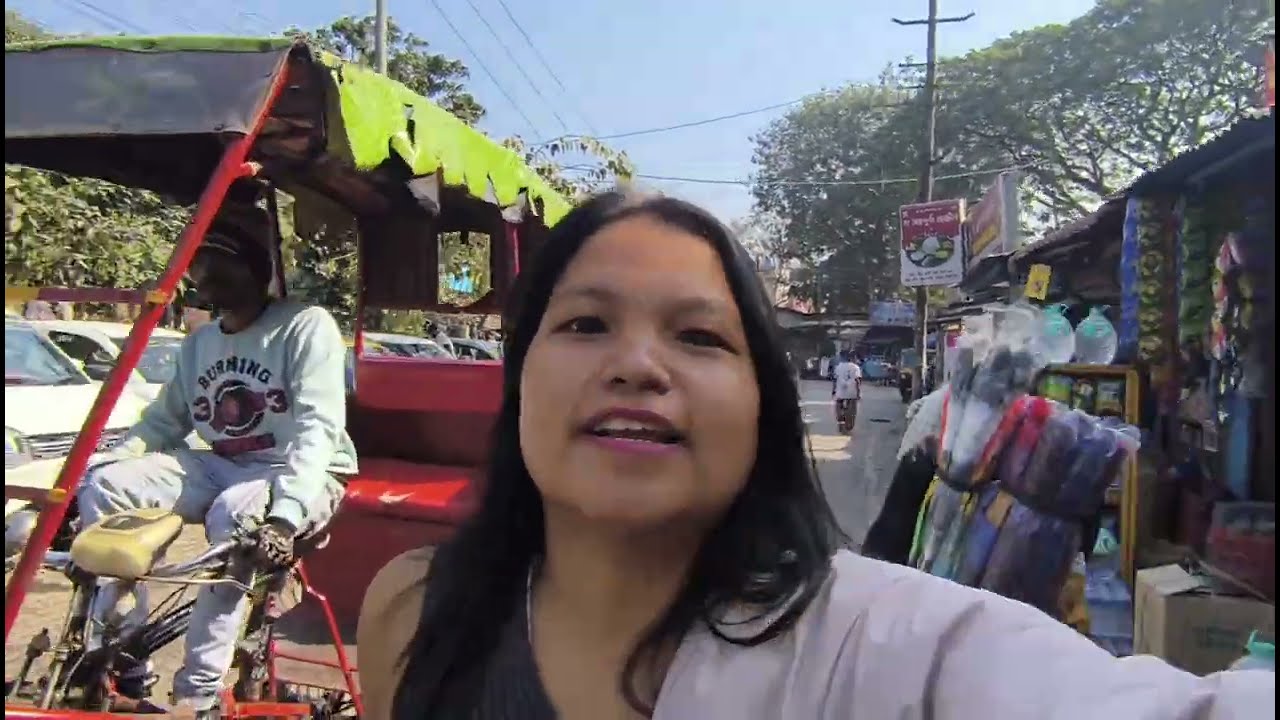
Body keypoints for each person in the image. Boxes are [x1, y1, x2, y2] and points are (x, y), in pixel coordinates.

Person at [357, 191, 1271, 720]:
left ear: (763, 407)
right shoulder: (412, 615)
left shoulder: (891, 652)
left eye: (700, 338)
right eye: (586, 323)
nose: (636, 364)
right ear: (520, 383)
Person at [76, 204, 357, 716]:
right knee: (106, 485)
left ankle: (198, 691)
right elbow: (162, 424)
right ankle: (122, 650)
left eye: (220, 266)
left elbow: (318, 428)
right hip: (222, 464)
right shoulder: (200, 343)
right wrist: (91, 472)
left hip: (299, 471)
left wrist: (285, 515)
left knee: (236, 513)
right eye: (201, 267)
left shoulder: (304, 326)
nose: (206, 278)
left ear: (254, 271)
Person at [831, 350, 862, 427]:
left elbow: (835, 380)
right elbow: (857, 381)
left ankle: (839, 417)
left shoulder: (838, 366)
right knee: (853, 406)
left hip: (840, 392)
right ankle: (850, 421)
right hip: (852, 393)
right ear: (854, 358)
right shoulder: (856, 367)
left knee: (838, 402)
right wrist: (859, 393)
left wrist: (833, 391)